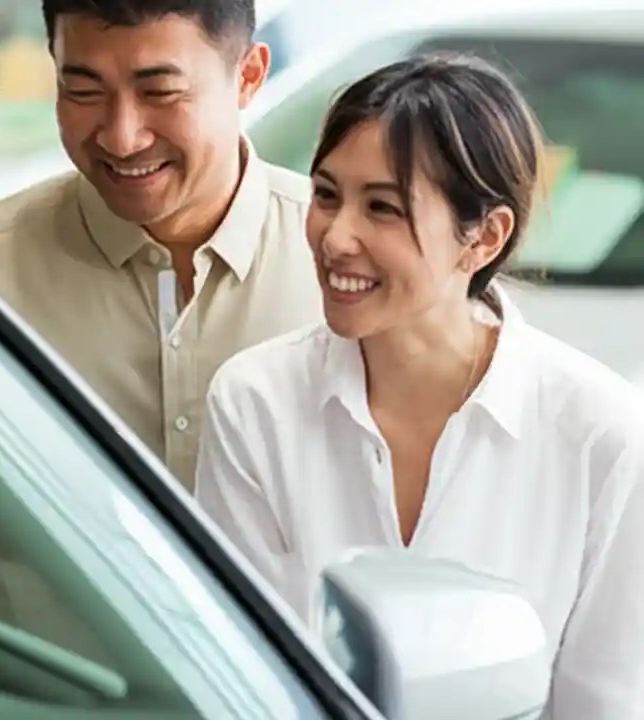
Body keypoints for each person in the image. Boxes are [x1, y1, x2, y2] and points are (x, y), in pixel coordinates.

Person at [0, 0, 322, 655]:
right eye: (82, 90)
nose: (121, 137)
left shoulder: (347, 273)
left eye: (160, 92)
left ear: (248, 76)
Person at [194, 54, 644, 717]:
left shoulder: (601, 432)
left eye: (383, 208)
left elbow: (606, 701)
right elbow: (242, 674)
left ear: (484, 239)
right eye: (325, 195)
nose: (335, 236)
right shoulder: (255, 401)